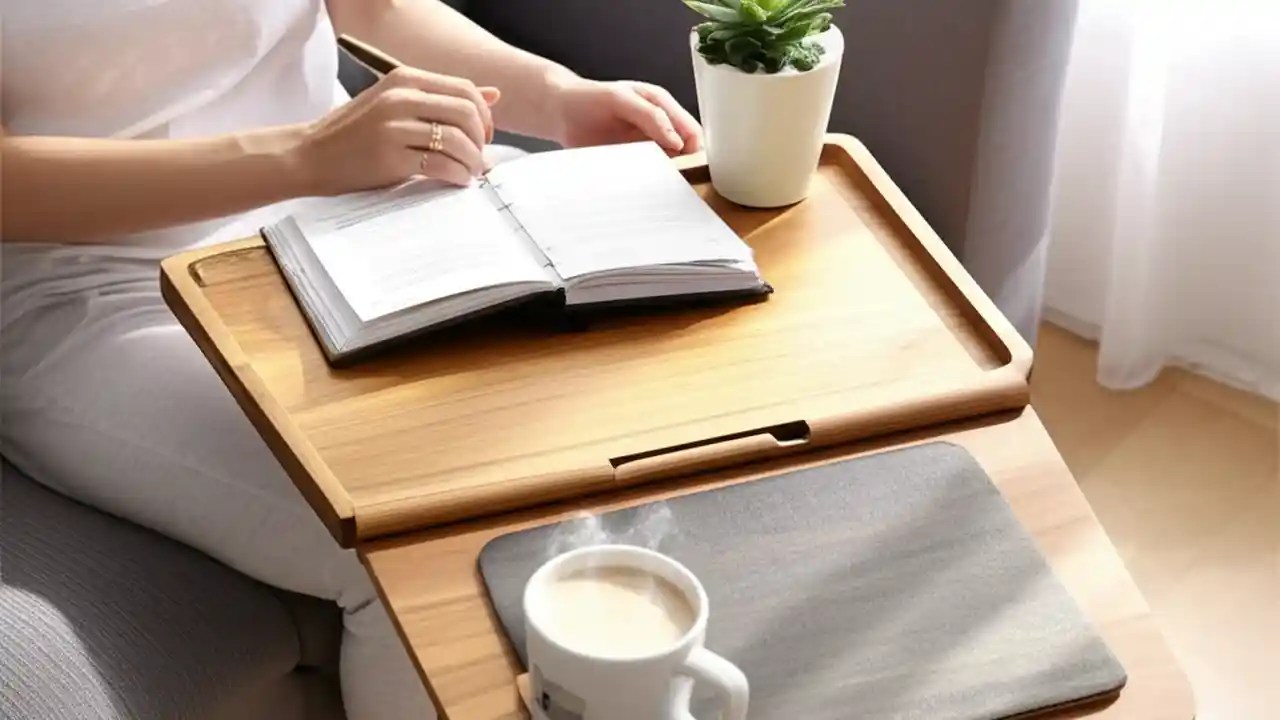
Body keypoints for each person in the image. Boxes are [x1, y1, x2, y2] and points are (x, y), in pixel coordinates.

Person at [0, 1, 702, 718]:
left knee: (634, 396)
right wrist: (305, 154)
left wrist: (556, 97)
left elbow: (371, 5)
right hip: (101, 285)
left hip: (347, 206)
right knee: (427, 544)